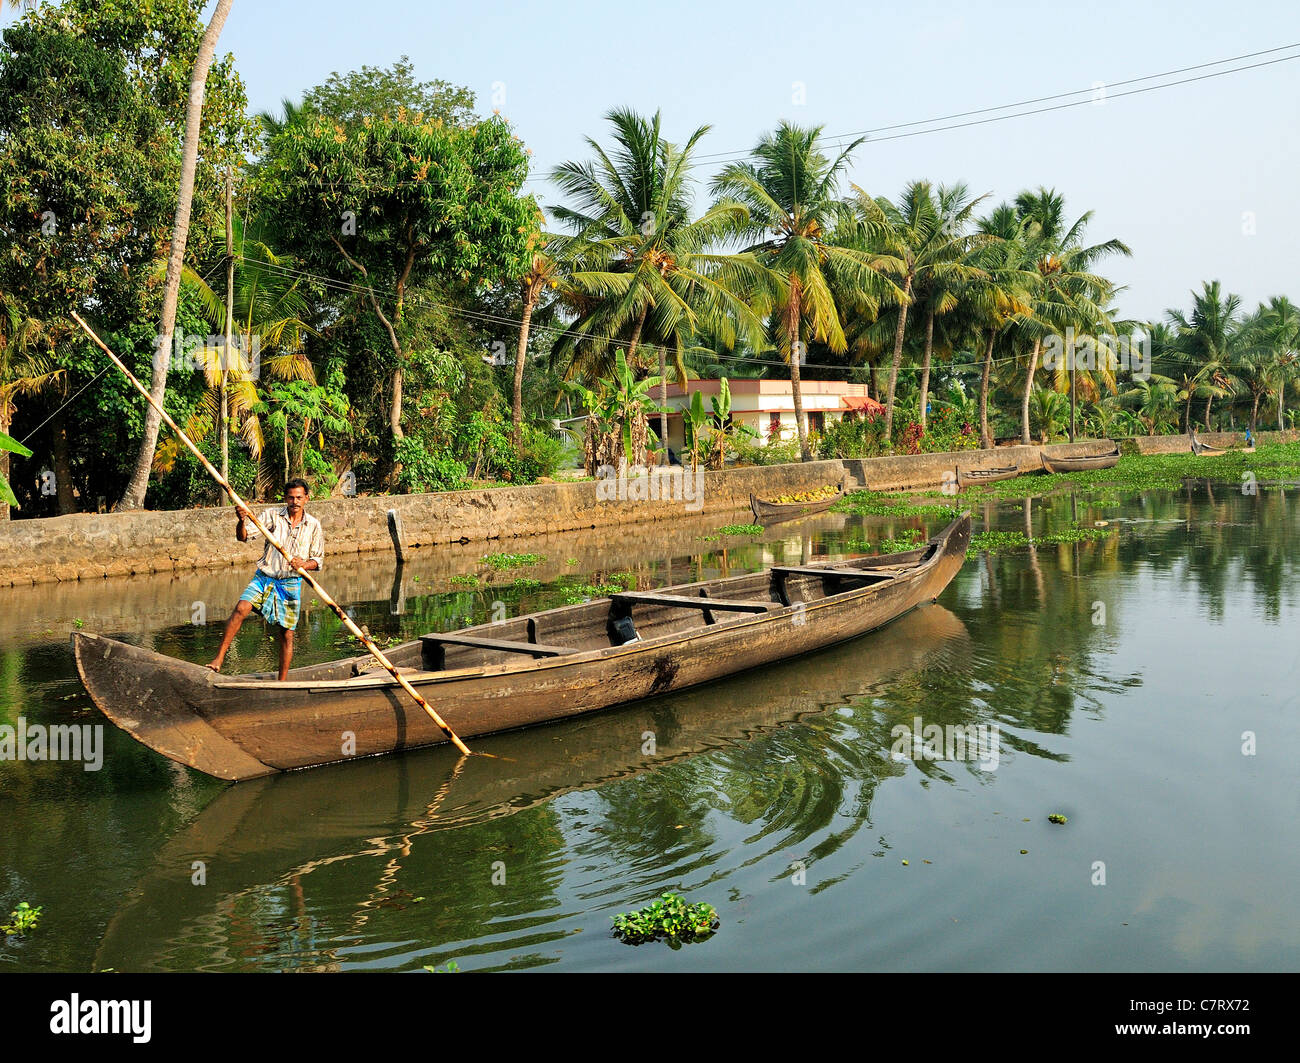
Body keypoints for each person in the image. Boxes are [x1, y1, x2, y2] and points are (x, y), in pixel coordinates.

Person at [207, 479, 324, 681]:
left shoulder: (313, 525)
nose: (294, 501)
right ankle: (218, 659)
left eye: (299, 497)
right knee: (242, 608)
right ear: (285, 498)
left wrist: (304, 564)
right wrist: (242, 520)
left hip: (290, 583)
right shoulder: (272, 515)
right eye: (290, 497)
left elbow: (318, 559)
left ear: (306, 498)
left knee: (286, 634)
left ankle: (282, 681)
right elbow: (244, 537)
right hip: (265, 577)